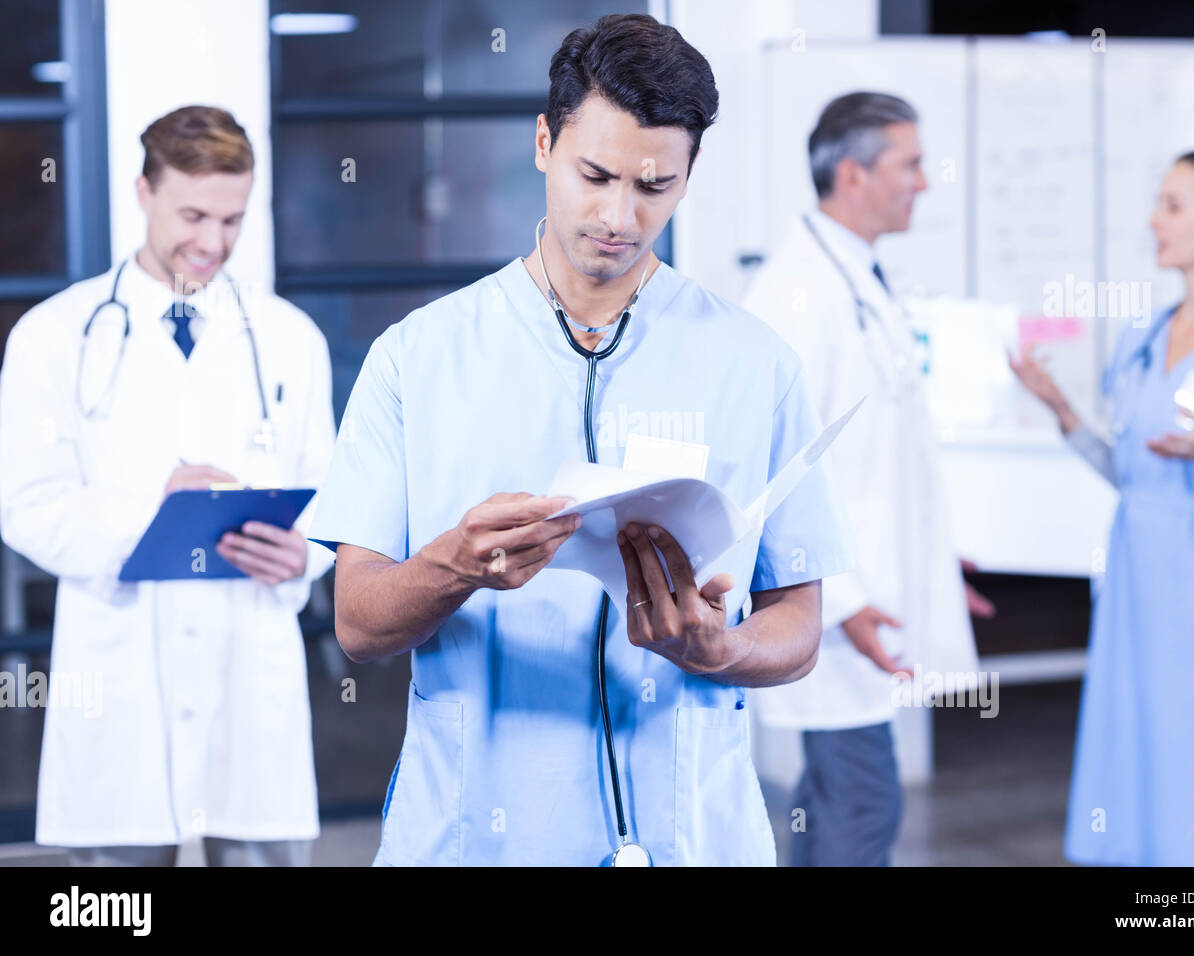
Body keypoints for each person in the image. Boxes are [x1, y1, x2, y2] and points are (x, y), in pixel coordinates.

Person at [308, 13, 853, 867]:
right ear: (541, 143)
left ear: (688, 175)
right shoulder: (416, 358)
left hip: (691, 835)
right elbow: (359, 622)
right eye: (593, 174)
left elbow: (800, 627)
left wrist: (721, 648)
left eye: (654, 186)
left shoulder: (756, 366)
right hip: (481, 835)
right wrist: (453, 565)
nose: (619, 216)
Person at [0, 106, 336, 866]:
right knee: (117, 907)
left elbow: (330, 496)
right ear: (143, 192)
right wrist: (156, 507)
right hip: (118, 665)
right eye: (193, 215)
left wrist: (307, 553)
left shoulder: (288, 338)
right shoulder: (56, 335)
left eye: (232, 219)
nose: (213, 243)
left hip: (250, 657)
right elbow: (24, 503)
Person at [1011, 150, 1194, 865]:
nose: (1154, 220)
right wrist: (1065, 414)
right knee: (1130, 748)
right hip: (1136, 582)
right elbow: (1133, 473)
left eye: (1173, 205)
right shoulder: (1140, 336)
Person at [745, 92, 993, 866]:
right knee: (863, 804)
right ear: (852, 174)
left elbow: (880, 457)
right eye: (910, 164)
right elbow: (770, 464)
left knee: (834, 805)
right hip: (834, 606)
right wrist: (840, 603)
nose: (924, 181)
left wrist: (934, 559)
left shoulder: (855, 277)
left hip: (860, 597)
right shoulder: (797, 295)